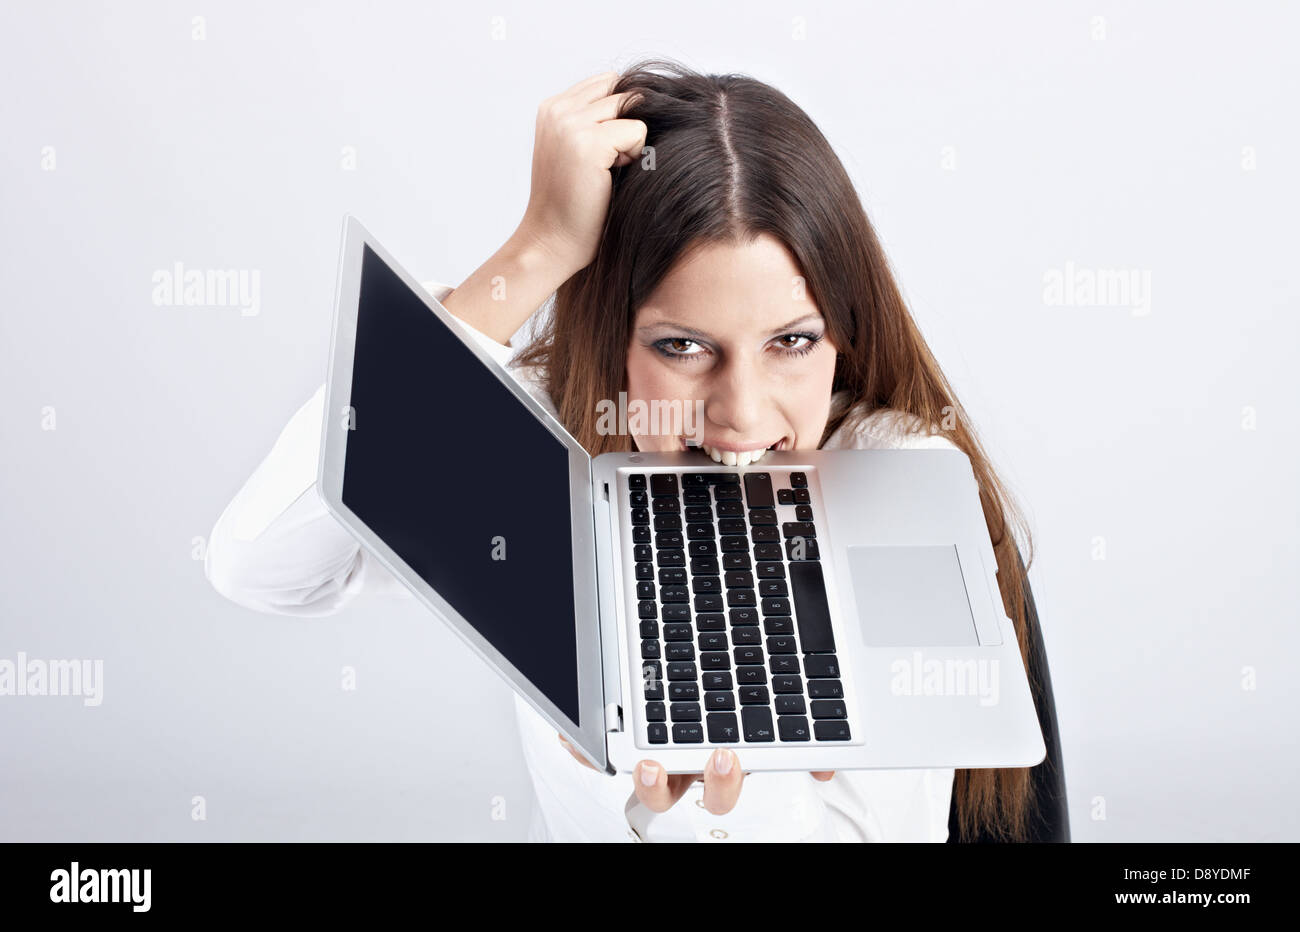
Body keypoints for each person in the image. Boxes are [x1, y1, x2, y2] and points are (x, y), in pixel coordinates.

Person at [205, 59, 1044, 843]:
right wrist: (534, 252)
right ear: (613, 343)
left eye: (791, 341)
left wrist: (716, 819)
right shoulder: (537, 451)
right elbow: (263, 567)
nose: (742, 416)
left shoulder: (899, 477)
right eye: (683, 347)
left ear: (842, 336)